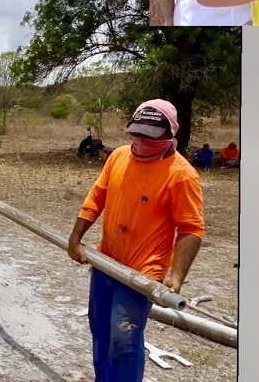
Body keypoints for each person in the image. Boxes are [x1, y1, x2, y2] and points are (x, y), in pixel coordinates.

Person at [68, 100, 204, 381]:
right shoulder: (117, 157)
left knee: (124, 339)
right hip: (105, 262)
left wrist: (176, 276)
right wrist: (76, 238)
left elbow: (191, 229)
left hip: (142, 273)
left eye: (148, 136)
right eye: (135, 133)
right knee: (100, 329)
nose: (139, 141)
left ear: (169, 135)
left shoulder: (181, 175)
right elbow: (97, 197)